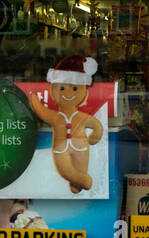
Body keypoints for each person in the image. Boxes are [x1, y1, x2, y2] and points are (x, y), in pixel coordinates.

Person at [28, 54, 104, 193]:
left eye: (75, 89)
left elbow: (96, 125)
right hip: (60, 149)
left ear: (84, 93)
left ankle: (77, 184)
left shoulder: (81, 117)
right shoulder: (55, 117)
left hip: (80, 147)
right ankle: (83, 181)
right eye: (61, 88)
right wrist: (34, 100)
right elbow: (41, 111)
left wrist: (95, 135)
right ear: (53, 90)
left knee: (79, 174)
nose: (67, 93)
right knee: (65, 170)